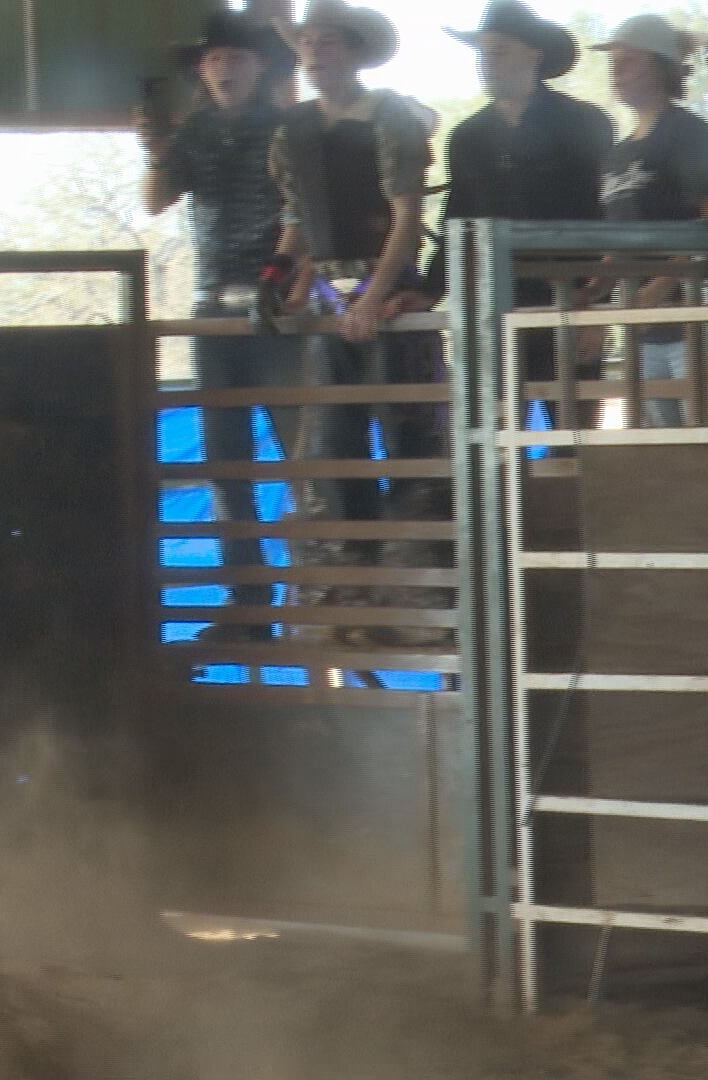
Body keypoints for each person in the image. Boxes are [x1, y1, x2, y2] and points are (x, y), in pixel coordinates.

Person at [267, 0, 448, 648]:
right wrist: (282, 278)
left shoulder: (389, 118)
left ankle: (422, 600)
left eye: (330, 43)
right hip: (326, 296)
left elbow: (404, 215)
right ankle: (348, 601)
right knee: (332, 448)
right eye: (309, 42)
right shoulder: (294, 132)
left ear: (354, 53)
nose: (317, 53)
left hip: (386, 291)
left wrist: (375, 296)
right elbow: (299, 221)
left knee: (412, 439)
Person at [144, 12, 302, 643]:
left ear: (259, 66)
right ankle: (249, 595)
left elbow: (303, 206)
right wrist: (154, 150)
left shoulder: (288, 128)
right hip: (214, 305)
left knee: (301, 449)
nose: (224, 66)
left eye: (235, 56)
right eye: (213, 59)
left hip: (280, 298)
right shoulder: (194, 132)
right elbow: (158, 199)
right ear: (202, 72)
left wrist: (283, 275)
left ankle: (321, 579)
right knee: (225, 457)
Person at [424, 2, 613, 426]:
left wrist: (600, 306)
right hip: (495, 309)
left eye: (498, 51)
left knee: (580, 442)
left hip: (573, 299)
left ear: (534, 55)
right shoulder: (468, 137)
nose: (485, 63)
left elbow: (610, 218)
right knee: (496, 445)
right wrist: (425, 290)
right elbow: (457, 225)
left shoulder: (583, 124)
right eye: (482, 52)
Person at [586, 15, 708, 428]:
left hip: (695, 318)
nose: (616, 72)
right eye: (614, 62)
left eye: (628, 62)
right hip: (643, 325)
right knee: (661, 448)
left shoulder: (689, 134)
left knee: (704, 435)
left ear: (660, 68)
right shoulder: (616, 155)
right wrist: (592, 290)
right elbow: (617, 240)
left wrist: (661, 285)